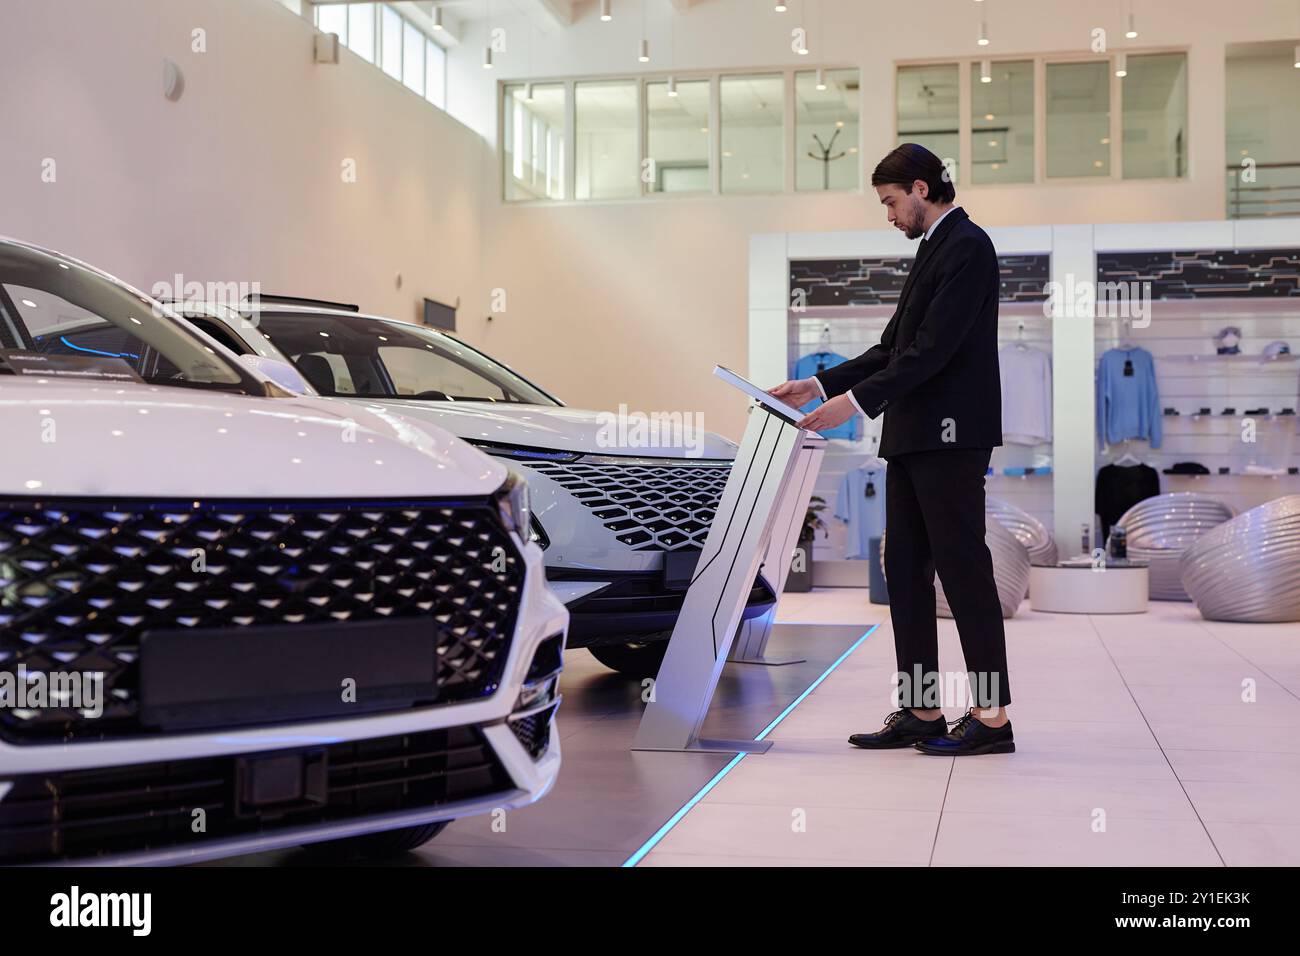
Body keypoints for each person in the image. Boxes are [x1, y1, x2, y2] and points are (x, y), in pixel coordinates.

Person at [769, 143, 1014, 756]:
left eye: (890, 202)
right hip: (912, 438)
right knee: (903, 571)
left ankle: (990, 717)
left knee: (963, 572)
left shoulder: (969, 247)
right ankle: (923, 708)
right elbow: (892, 349)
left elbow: (930, 353)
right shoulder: (935, 250)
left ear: (920, 189)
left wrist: (850, 407)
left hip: (951, 439)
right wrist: (820, 384)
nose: (889, 216)